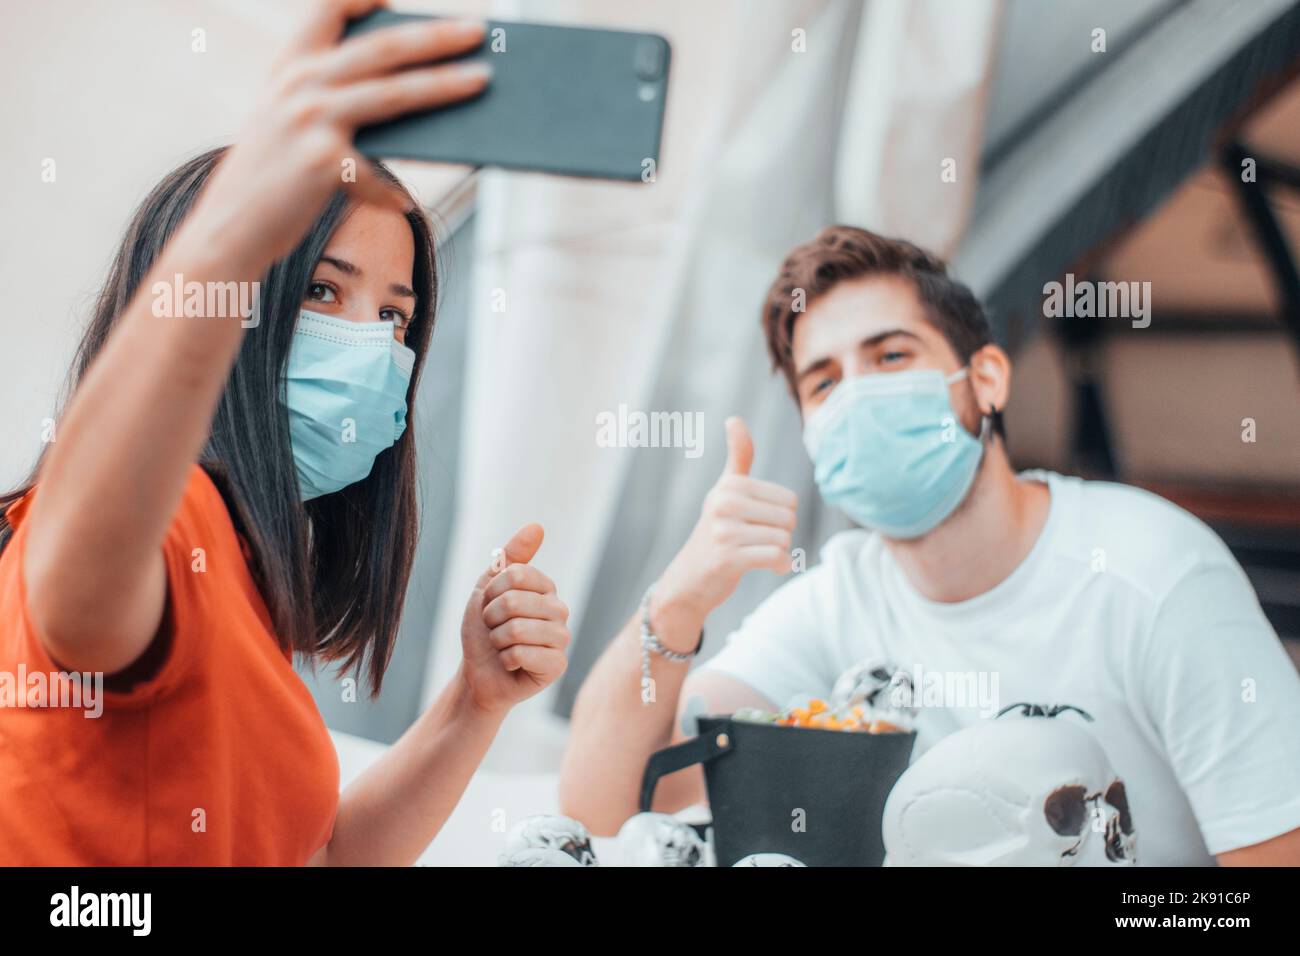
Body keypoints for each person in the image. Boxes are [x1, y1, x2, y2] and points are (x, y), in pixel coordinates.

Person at [0, 1, 571, 865]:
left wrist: (473, 701)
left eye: (394, 316)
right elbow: (80, 576)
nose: (370, 344)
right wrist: (232, 228)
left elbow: (322, 855)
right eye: (320, 292)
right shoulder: (170, 521)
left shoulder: (245, 573)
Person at [559, 225, 1300, 866]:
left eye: (890, 357)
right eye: (824, 384)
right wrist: (681, 598)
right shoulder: (838, 603)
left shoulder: (1155, 578)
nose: (859, 397)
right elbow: (603, 808)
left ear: (986, 379)